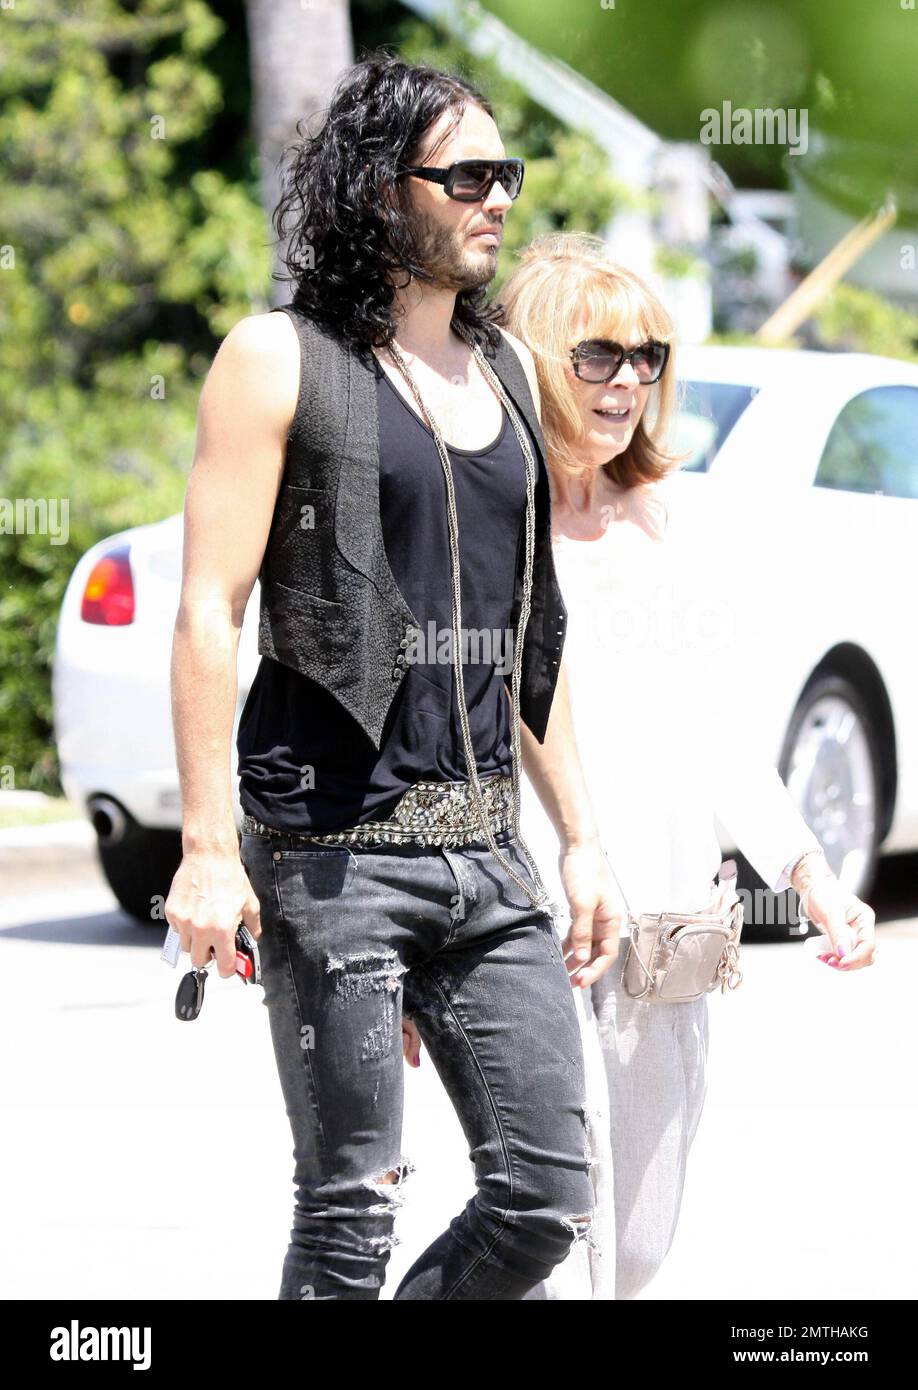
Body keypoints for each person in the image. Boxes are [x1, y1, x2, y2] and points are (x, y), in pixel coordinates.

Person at [164, 58, 622, 1301]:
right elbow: (210, 609)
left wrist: (581, 837)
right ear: (381, 188)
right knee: (350, 1212)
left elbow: (535, 634)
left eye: (505, 177)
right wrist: (208, 849)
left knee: (543, 1198)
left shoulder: (517, 379)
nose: (497, 201)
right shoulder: (281, 359)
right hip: (333, 854)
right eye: (467, 175)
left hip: (490, 854)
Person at [488, 231, 876, 1298]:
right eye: (597, 356)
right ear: (532, 359)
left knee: (643, 1237)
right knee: (558, 1225)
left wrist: (811, 874)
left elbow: (717, 731)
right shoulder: (485, 524)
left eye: (647, 356)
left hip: (666, 932)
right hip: (527, 928)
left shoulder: (666, 524)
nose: (628, 382)